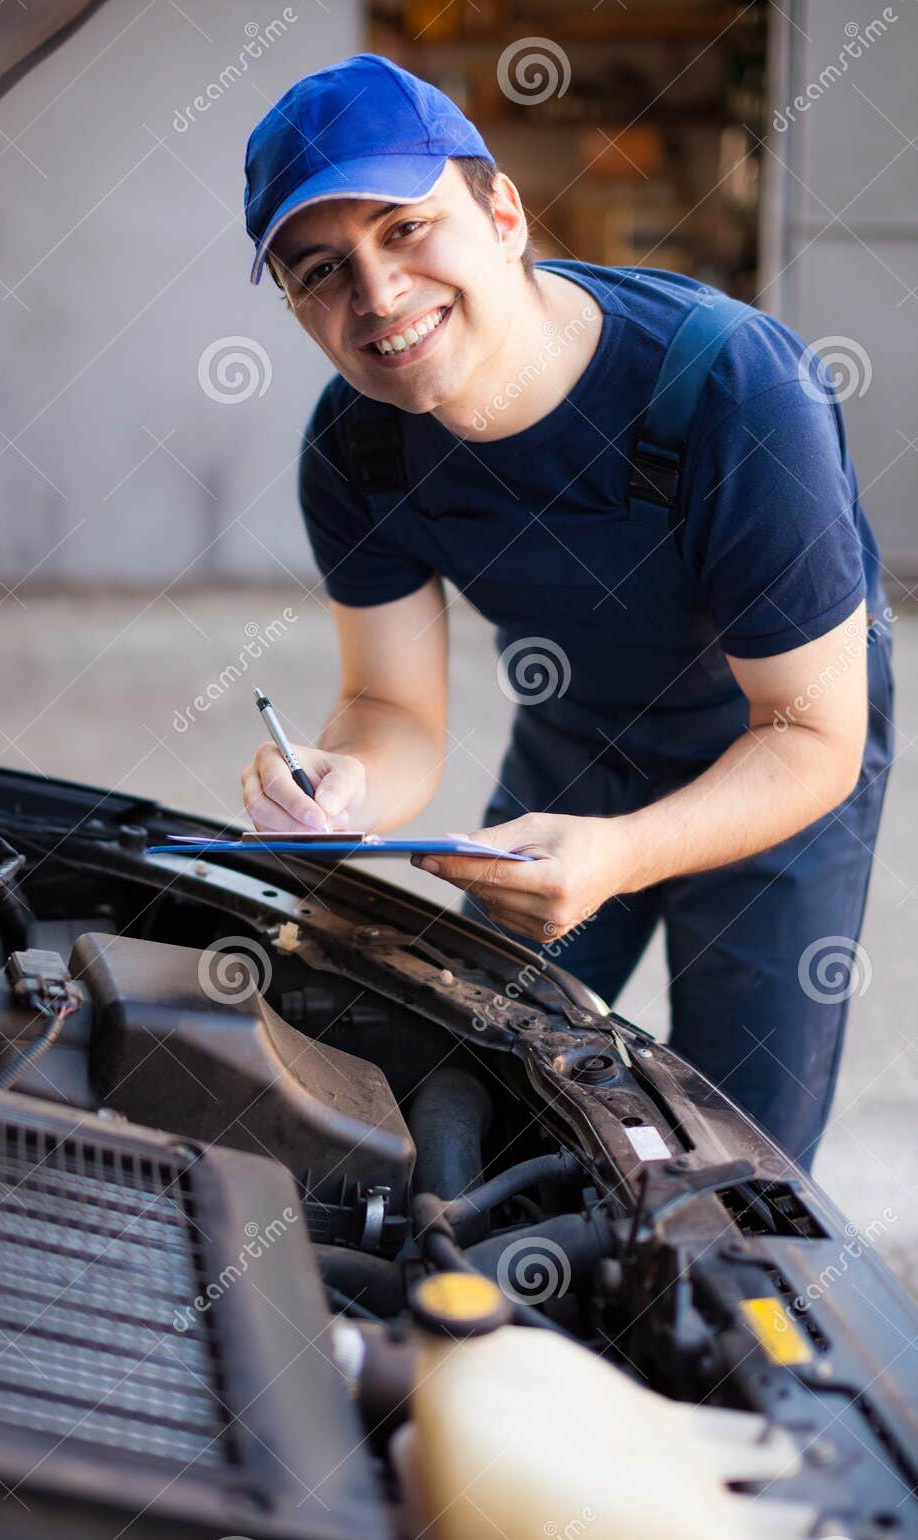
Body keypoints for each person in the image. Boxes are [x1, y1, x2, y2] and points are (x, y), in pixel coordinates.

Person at [239, 54, 893, 1169]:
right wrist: (341, 784)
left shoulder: (733, 390)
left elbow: (813, 734)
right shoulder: (356, 448)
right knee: (472, 1081)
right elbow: (391, 708)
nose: (377, 296)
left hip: (777, 763)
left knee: (738, 1156)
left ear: (502, 215)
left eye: (405, 229)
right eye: (322, 271)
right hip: (579, 745)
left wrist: (624, 854)